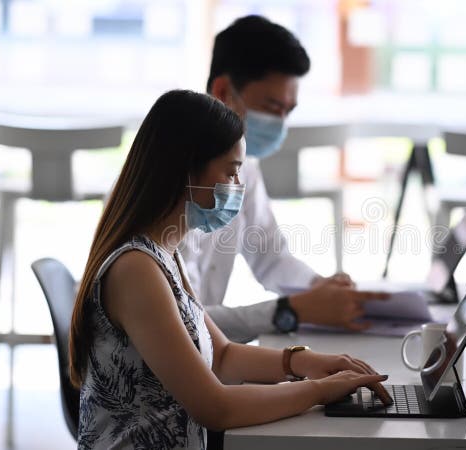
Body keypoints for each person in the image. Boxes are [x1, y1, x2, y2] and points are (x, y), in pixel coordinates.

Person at [69, 90, 389, 450]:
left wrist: (303, 362)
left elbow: (222, 356)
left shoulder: (163, 253)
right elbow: (215, 408)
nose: (238, 187)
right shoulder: (135, 271)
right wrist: (317, 390)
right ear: (186, 168)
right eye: (232, 171)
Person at [181, 15, 388, 343]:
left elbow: (270, 255)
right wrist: (291, 310)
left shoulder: (242, 163)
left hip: (206, 358)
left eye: (287, 111)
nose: (279, 123)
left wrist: (319, 289)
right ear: (223, 90)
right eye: (271, 106)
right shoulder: (174, 175)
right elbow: (184, 323)